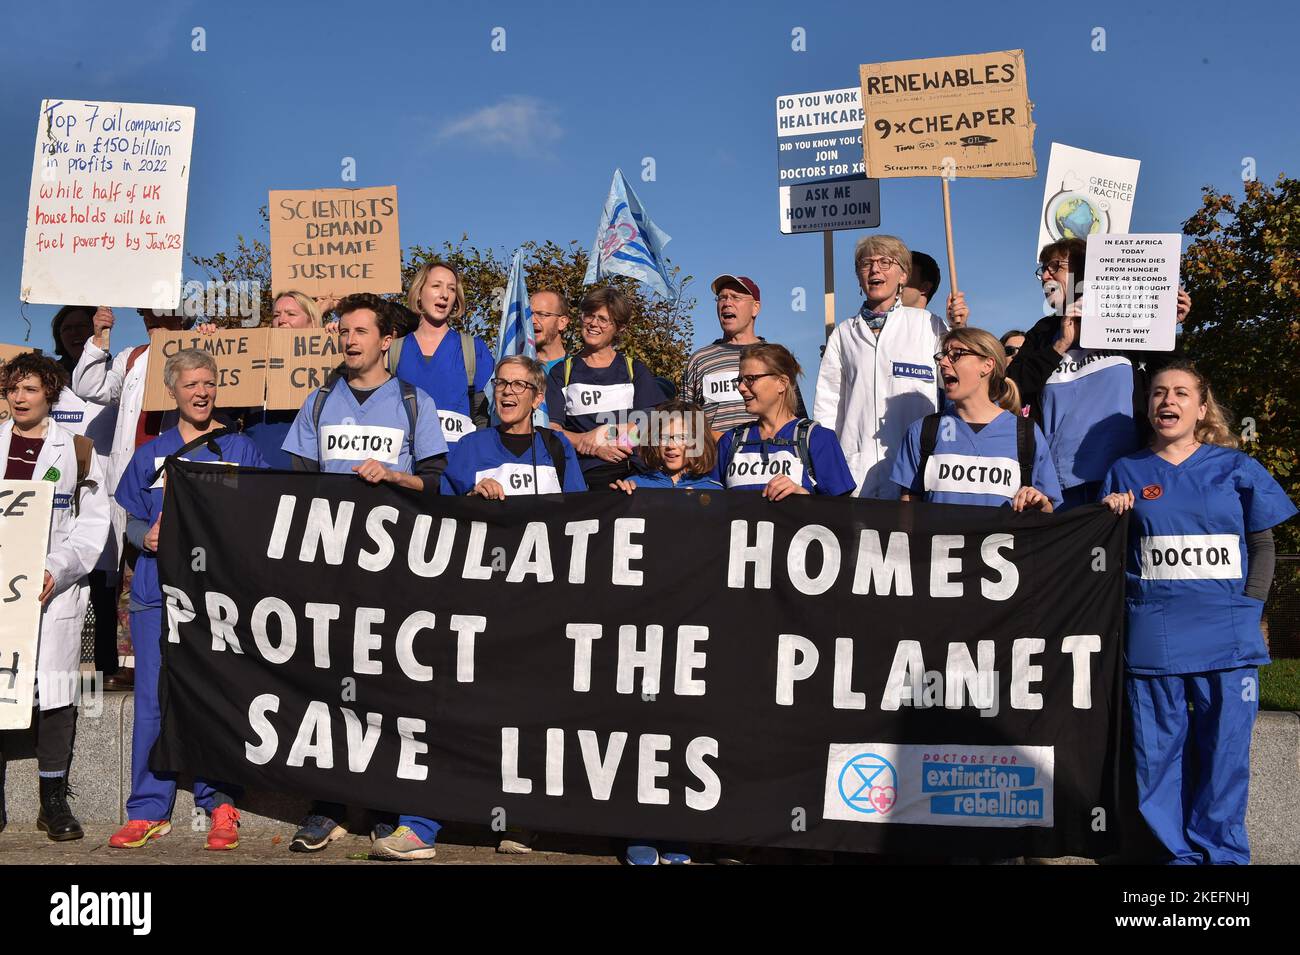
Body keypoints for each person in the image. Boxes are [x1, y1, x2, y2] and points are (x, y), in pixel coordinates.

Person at [1101, 362, 1295, 864]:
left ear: (1201, 407)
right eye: (1159, 392)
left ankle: (1223, 856)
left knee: (1225, 758)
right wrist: (1112, 517)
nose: (1168, 400)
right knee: (1157, 758)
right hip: (1155, 636)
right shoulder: (1126, 472)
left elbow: (1263, 546)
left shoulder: (1236, 468)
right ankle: (1176, 857)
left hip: (1228, 637)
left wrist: (1250, 608)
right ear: (1148, 407)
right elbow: (1111, 555)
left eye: (1181, 392)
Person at [281, 293, 448, 858]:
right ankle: (325, 807)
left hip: (393, 571)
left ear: (385, 341)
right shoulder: (320, 399)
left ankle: (381, 808)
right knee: (325, 689)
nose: (349, 340)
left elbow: (436, 484)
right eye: (343, 332)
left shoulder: (413, 400)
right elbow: (297, 485)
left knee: (386, 691)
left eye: (360, 331)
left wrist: (394, 477)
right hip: (329, 570)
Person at [108, 349, 267, 850]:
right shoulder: (149, 453)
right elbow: (129, 521)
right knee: (153, 703)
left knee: (217, 698)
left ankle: (219, 802)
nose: (201, 392)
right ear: (172, 391)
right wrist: (144, 537)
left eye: (209, 383)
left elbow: (262, 515)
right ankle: (147, 809)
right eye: (191, 384)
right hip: (156, 596)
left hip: (219, 599)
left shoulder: (241, 448)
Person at [0, 354, 110, 841]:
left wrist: (56, 568)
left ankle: (53, 800)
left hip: (52, 592)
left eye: (29, 389)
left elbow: (91, 525)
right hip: (1, 590)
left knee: (58, 692)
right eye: (12, 389)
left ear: (50, 393)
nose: (19, 398)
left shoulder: (78, 450)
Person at [1006, 238, 1193, 510]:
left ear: (1084, 270)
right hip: (1055, 486)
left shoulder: (1130, 319)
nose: (1045, 275)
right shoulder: (1045, 332)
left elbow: (1175, 379)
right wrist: (1060, 345)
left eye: (1055, 266)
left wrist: (1166, 326)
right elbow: (1011, 388)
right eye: (1043, 269)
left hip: (1126, 482)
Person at [71, 305, 187, 688]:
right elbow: (92, 387)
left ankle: (179, 662)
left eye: (162, 315)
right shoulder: (132, 357)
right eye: (146, 316)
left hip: (178, 478)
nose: (152, 322)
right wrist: (101, 335)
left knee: (179, 569)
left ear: (181, 316)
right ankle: (132, 663)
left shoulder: (199, 348)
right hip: (134, 479)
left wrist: (211, 338)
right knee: (133, 571)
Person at [813, 236, 948, 498]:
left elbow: (954, 385)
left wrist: (961, 329)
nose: (875, 270)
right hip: (856, 473)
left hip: (914, 471)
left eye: (886, 262)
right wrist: (828, 467)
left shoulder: (930, 325)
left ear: (903, 275)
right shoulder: (843, 333)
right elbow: (827, 407)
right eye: (866, 264)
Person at [891, 327, 1062, 511]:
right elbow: (908, 510)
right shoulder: (923, 431)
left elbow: (1048, 509)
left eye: (956, 354)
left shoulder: (1026, 434)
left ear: (987, 365)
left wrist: (1039, 502)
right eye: (943, 355)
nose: (943, 362)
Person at [46, 306, 120, 679]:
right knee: (60, 576)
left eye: (84, 326)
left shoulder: (115, 374)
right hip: (57, 494)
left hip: (106, 490)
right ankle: (55, 668)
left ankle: (107, 667)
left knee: (106, 587)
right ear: (57, 334)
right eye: (68, 328)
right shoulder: (47, 380)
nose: (76, 333)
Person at [546, 288, 666, 489]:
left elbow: (652, 426)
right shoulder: (562, 372)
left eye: (603, 319)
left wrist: (607, 435)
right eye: (589, 316)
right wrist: (588, 443)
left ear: (620, 328)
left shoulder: (634, 370)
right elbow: (552, 431)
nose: (593, 324)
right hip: (582, 477)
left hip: (634, 475)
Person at [715, 343, 855, 497]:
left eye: (750, 379)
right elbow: (712, 505)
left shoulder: (818, 438)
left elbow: (841, 513)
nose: (741, 387)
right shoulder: (730, 441)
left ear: (782, 383)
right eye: (740, 380)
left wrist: (804, 498)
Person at [681, 275, 810, 438]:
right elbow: (684, 421)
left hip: (767, 458)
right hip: (714, 461)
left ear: (755, 308)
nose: (727, 303)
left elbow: (797, 418)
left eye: (736, 297)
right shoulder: (699, 360)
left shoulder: (775, 357)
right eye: (721, 298)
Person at [441, 355, 586, 498]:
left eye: (519, 385)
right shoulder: (471, 446)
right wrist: (472, 496)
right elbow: (446, 510)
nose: (507, 391)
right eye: (501, 383)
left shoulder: (557, 444)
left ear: (537, 399)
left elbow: (578, 509)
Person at [389, 259, 494, 448]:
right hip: (405, 467)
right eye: (436, 286)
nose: (444, 295)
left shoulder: (474, 349)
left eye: (452, 289)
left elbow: (485, 416)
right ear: (419, 292)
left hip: (458, 464)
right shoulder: (393, 350)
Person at [238, 291, 323, 468]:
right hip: (255, 469)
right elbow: (225, 406)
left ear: (312, 322)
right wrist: (208, 337)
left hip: (303, 473)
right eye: (276, 315)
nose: (281, 320)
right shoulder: (254, 359)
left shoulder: (329, 362)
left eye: (291, 314)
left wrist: (337, 336)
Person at [611, 398, 721, 494]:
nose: (671, 445)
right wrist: (618, 497)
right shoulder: (635, 485)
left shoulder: (714, 491)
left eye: (681, 437)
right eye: (663, 437)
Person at [900, 251, 968, 328]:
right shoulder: (887, 322)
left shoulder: (937, 329)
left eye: (905, 276)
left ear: (925, 287)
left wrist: (959, 326)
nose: (898, 280)